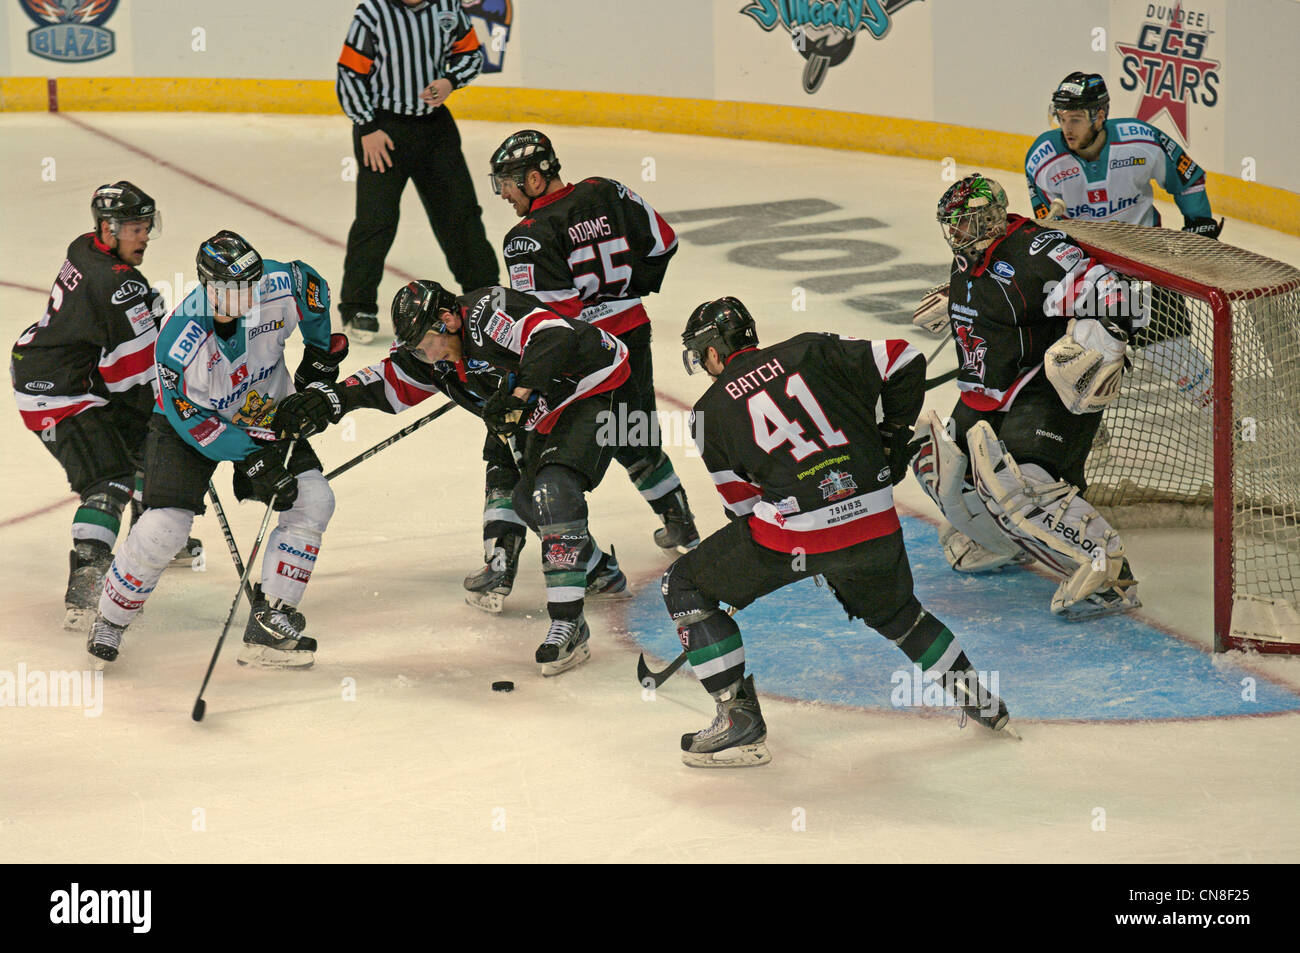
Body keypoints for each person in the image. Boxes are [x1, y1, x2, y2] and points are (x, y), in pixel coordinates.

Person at [662, 297, 1013, 768]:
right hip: (876, 519)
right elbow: (904, 359)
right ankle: (978, 696)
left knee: (685, 584)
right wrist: (891, 436)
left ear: (712, 352)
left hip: (797, 535)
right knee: (899, 614)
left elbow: (743, 509)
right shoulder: (809, 350)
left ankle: (737, 719)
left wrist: (753, 573)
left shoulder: (708, 411)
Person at [276, 281, 633, 675]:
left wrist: (518, 396)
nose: (422, 355)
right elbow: (391, 379)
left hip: (595, 386)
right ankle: (599, 570)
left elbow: (555, 336)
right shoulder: (435, 355)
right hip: (541, 407)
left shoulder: (488, 313)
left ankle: (569, 623)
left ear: (447, 320)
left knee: (553, 492)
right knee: (526, 501)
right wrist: (332, 399)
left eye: (423, 343)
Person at [86, 232, 349, 670]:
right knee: (165, 527)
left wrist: (320, 353)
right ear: (209, 287)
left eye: (252, 282)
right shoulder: (178, 340)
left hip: (263, 412)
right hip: (187, 428)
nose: (248, 295)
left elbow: (311, 287)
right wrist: (252, 457)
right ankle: (111, 617)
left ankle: (271, 621)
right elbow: (191, 419)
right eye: (235, 288)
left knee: (314, 499)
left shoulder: (277, 284)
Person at [910, 173, 1142, 619]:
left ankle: (1112, 574)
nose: (956, 234)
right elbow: (991, 292)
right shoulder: (970, 257)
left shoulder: (1040, 253)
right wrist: (954, 299)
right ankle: (1005, 543)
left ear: (990, 219)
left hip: (1043, 390)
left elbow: (1122, 297)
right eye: (952, 225)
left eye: (964, 223)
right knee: (941, 469)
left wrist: (1106, 340)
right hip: (985, 388)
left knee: (1022, 484)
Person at [486, 129, 700, 553]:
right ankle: (681, 523)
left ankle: (580, 560)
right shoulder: (606, 191)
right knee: (633, 429)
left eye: (508, 183)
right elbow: (664, 240)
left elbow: (553, 322)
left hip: (585, 355)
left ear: (534, 179)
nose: (504, 194)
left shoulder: (527, 236)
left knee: (549, 456)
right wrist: (625, 290)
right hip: (633, 335)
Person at [10, 181, 199, 630]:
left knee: (142, 442)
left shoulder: (85, 247)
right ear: (108, 228)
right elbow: (132, 375)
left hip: (66, 372)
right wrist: (176, 404)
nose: (144, 236)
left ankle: (147, 539)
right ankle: (87, 577)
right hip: (57, 394)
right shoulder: (119, 284)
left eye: (147, 225)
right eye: (135, 227)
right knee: (110, 477)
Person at [1024, 71, 1220, 409]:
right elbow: (1049, 226)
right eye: (1062, 118)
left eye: (1076, 119)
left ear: (1100, 116)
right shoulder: (1043, 159)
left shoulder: (1140, 140)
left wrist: (1198, 221)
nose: (1067, 129)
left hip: (1146, 261)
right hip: (1087, 269)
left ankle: (1226, 420)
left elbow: (1188, 177)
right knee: (1078, 353)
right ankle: (1084, 431)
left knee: (1168, 351)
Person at [335, 0, 499, 343]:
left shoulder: (448, 7)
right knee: (375, 220)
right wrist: (366, 127)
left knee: (460, 213)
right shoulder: (374, 12)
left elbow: (471, 54)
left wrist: (451, 80)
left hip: (435, 129)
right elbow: (350, 73)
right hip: (383, 130)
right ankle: (357, 306)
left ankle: (483, 293)